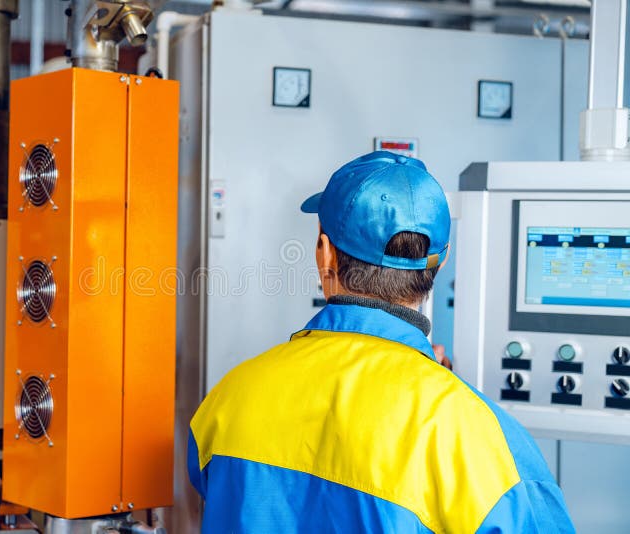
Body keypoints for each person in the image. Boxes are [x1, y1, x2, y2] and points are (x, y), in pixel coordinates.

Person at [187, 151, 574, 533]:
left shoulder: (231, 396)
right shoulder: (482, 440)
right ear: (442, 261)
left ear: (324, 256)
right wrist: (437, 392)